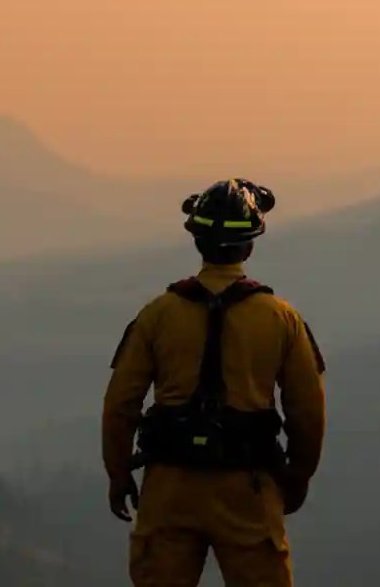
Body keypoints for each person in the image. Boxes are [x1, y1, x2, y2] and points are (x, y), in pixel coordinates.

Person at [103, 178, 327, 587]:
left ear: (197, 241)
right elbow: (307, 412)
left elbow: (121, 404)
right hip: (248, 487)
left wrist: (118, 473)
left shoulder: (156, 315)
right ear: (250, 245)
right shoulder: (282, 319)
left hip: (168, 489)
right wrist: (297, 477)